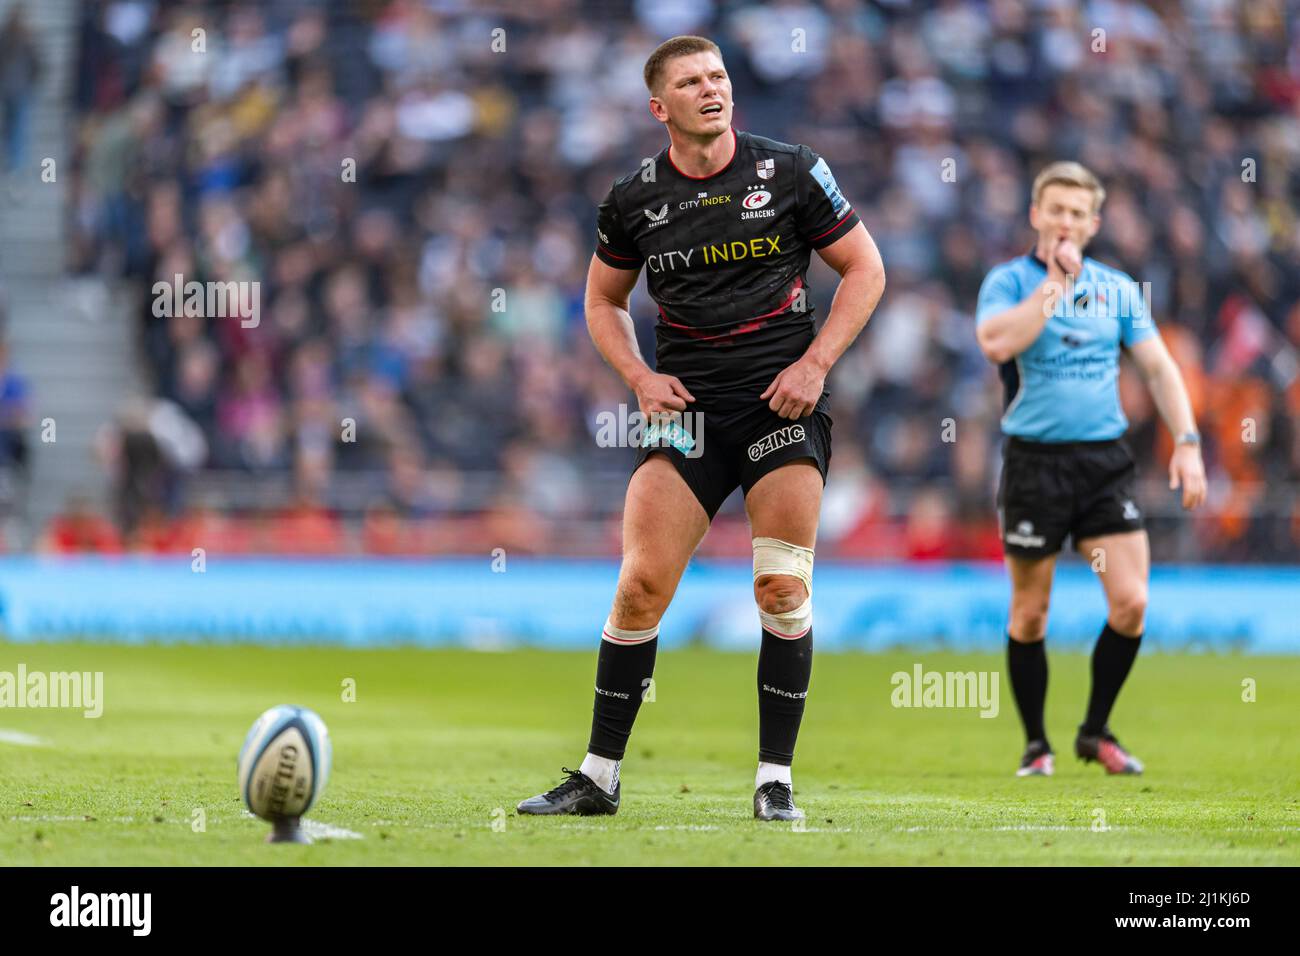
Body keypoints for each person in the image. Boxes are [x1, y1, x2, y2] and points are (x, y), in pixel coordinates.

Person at [515, 35, 885, 821]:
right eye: (691, 82)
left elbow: (866, 269)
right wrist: (641, 379)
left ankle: (774, 781)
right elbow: (601, 301)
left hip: (781, 406)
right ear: (661, 107)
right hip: (687, 417)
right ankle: (598, 777)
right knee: (641, 584)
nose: (711, 89)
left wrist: (816, 366)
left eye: (717, 76)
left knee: (781, 586)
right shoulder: (633, 199)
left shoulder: (789, 168)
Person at [974, 161, 1207, 777]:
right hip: (1033, 465)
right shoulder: (1006, 282)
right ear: (1035, 215)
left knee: (1131, 603)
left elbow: (1158, 368)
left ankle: (1095, 731)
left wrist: (1187, 440)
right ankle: (1035, 745)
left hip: (1103, 463)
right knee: (1030, 612)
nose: (1066, 221)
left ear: (1094, 222)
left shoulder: (1118, 288)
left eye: (1078, 213)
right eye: (1056, 209)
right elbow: (998, 344)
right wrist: (1053, 285)